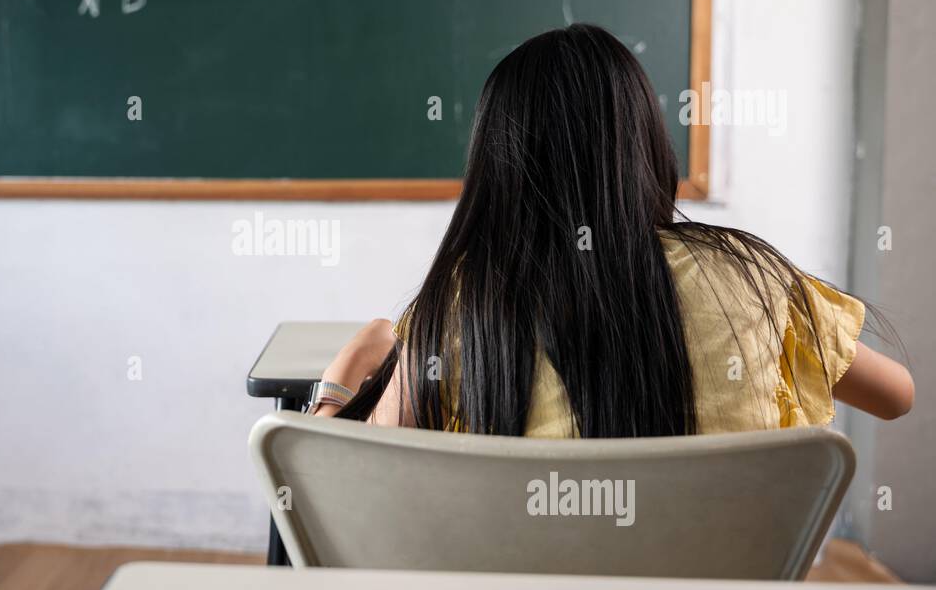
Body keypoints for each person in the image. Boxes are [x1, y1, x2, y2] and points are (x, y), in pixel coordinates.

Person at [311, 25, 913, 436]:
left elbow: (345, 482)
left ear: (495, 167)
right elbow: (896, 396)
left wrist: (347, 370)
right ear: (644, 142)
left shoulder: (459, 308)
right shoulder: (751, 277)